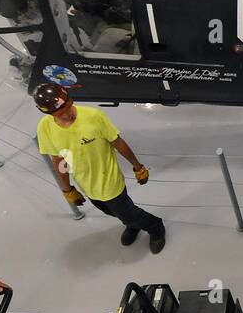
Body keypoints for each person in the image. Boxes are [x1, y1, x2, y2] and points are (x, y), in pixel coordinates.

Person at [34, 83, 166, 252]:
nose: (67, 115)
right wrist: (67, 190)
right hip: (87, 185)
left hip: (110, 182)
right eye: (61, 114)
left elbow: (117, 142)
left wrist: (137, 167)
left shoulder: (93, 116)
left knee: (127, 212)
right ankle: (133, 225)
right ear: (48, 113)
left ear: (70, 99)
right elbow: (59, 159)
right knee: (110, 211)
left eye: (68, 107)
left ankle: (156, 227)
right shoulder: (45, 128)